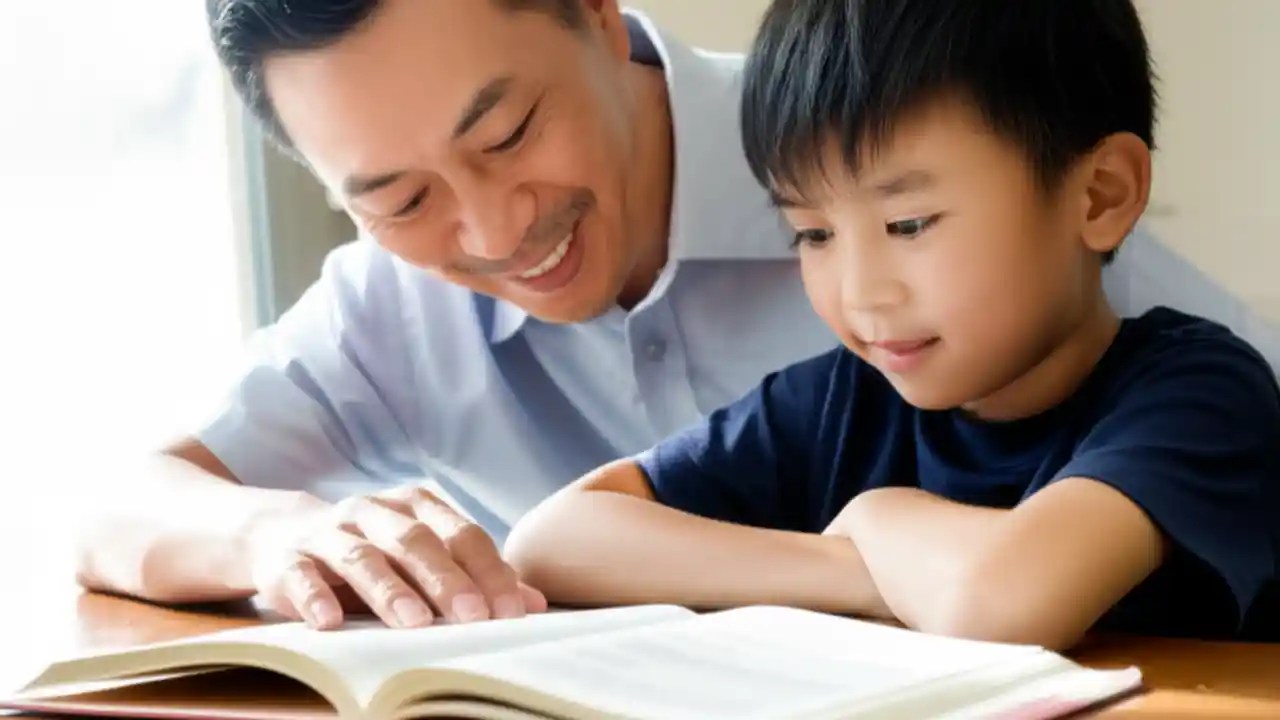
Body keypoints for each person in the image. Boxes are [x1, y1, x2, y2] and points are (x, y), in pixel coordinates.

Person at [75, 0, 1277, 632]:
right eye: (397, 198)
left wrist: (876, 520)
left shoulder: (876, 135)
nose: (493, 234)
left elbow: (1023, 585)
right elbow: (118, 507)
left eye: (505, 135)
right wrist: (276, 538)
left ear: (596, 10)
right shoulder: (848, 376)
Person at [505, 0, 1280, 649]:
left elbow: (1003, 603)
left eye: (909, 224)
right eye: (813, 234)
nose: (861, 292)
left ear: (1101, 195)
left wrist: (880, 517)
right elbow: (552, 541)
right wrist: (848, 569)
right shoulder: (845, 400)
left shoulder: (1201, 391)